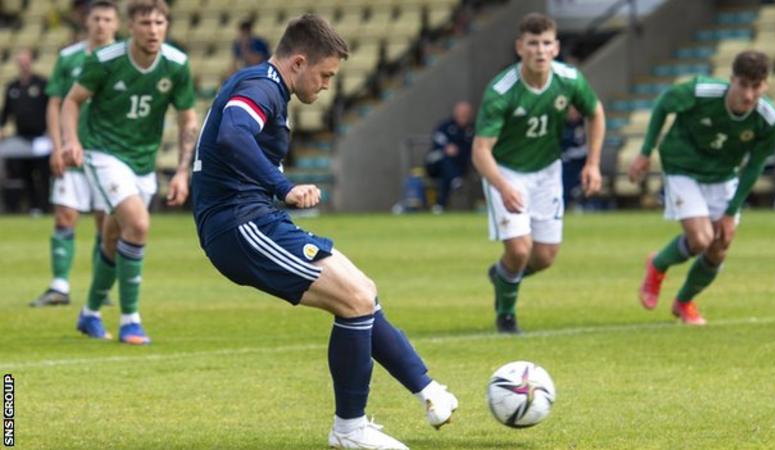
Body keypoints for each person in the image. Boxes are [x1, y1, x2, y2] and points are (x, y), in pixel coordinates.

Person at [191, 14, 457, 449]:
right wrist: (285, 186)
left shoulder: (267, 86)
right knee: (354, 299)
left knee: (362, 292)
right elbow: (233, 135)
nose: (328, 84)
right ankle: (349, 430)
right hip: (239, 224)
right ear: (298, 62)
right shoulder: (262, 86)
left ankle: (427, 391)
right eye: (326, 74)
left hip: (255, 219)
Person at [61, 0, 198, 344]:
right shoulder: (105, 61)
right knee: (137, 225)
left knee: (112, 235)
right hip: (103, 152)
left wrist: (182, 172)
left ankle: (90, 313)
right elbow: (71, 101)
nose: (153, 30)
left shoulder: (176, 65)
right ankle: (130, 320)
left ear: (166, 26)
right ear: (130, 27)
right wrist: (71, 141)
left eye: (159, 23)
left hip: (142, 161)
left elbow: (188, 119)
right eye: (145, 23)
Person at [473, 13, 605, 334]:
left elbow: (596, 113)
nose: (540, 50)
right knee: (519, 249)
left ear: (556, 47)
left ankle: (503, 276)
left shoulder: (570, 79)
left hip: (547, 171)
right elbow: (480, 151)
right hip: (506, 172)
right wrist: (503, 187)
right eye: (533, 43)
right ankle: (506, 315)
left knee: (544, 257)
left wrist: (592, 163)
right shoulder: (502, 90)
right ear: (520, 47)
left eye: (546, 43)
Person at [629, 50, 775, 325]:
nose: (748, 95)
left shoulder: (768, 119)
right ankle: (659, 264)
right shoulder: (701, 92)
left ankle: (684, 302)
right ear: (731, 79)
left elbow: (754, 166)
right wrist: (645, 151)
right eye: (743, 85)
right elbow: (664, 103)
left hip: (722, 176)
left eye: (756, 87)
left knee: (719, 246)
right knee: (700, 239)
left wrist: (731, 211)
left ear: (765, 85)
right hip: (682, 167)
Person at [29, 0, 119, 308]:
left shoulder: (124, 58)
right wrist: (58, 145)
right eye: (97, 18)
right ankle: (59, 286)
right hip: (72, 151)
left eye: (108, 19)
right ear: (86, 21)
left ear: (117, 25)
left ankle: (101, 288)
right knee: (64, 216)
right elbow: (55, 103)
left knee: (105, 222)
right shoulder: (68, 58)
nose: (102, 24)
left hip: (108, 154)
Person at [0, 48, 51, 214]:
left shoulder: (42, 83)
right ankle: (33, 206)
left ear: (31, 62)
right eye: (20, 62)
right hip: (21, 138)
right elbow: (6, 113)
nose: (23, 65)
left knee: (43, 174)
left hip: (41, 137)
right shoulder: (12, 87)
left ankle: (45, 206)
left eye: (26, 61)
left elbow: (50, 109)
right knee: (25, 174)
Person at [425, 101, 474, 213]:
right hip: (434, 165)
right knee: (444, 159)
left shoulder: (471, 130)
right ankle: (455, 180)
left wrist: (459, 151)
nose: (464, 114)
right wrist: (447, 148)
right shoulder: (445, 126)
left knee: (447, 173)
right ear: (456, 112)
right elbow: (437, 140)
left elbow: (472, 148)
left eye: (466, 112)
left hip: (458, 167)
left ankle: (440, 205)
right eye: (462, 112)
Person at [560, 105, 588, 210]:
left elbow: (584, 148)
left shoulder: (581, 127)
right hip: (563, 165)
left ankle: (580, 207)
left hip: (577, 165)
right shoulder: (563, 125)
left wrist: (570, 153)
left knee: (576, 188)